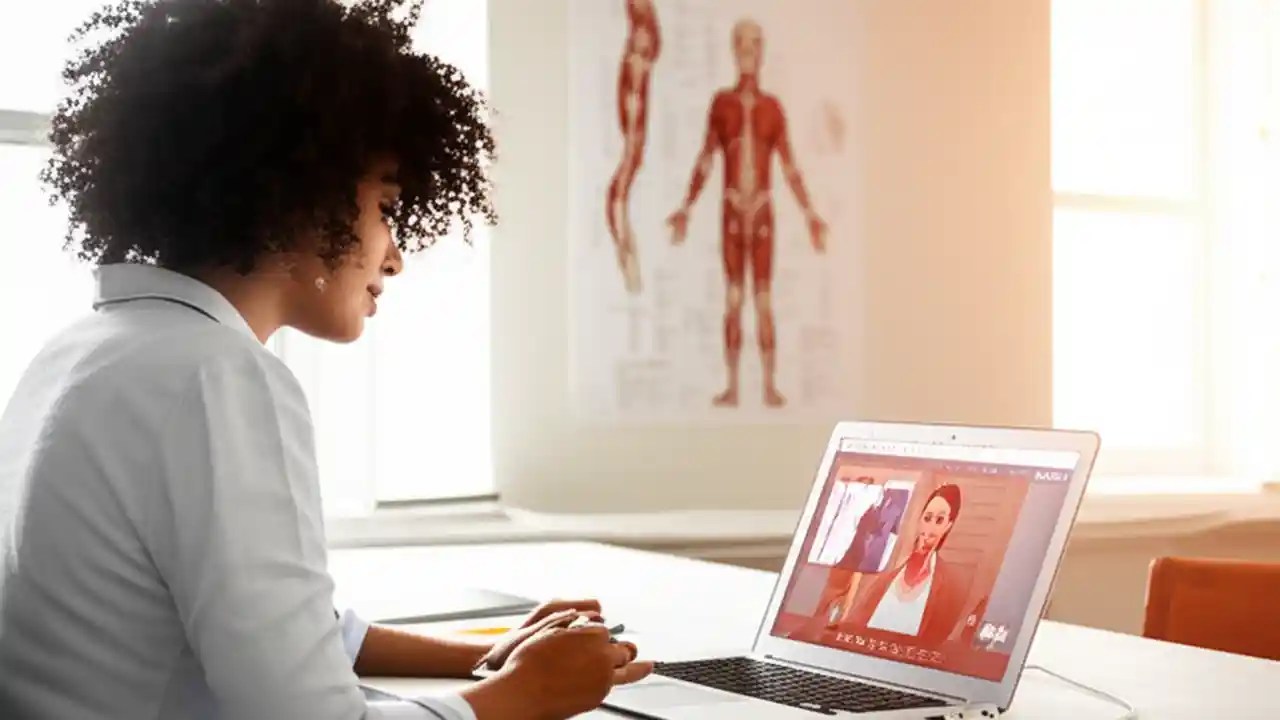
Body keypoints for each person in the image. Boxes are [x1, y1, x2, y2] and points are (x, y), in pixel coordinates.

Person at [0, 2, 651, 719]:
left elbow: (287, 638)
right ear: (302, 194)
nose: (395, 256)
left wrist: (490, 655)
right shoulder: (218, 377)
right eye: (386, 206)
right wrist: (519, 695)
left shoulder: (83, 354)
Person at [667, 18, 827, 408]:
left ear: (762, 51)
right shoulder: (722, 104)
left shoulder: (773, 108)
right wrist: (686, 207)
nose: (748, 52)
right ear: (733, 50)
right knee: (735, 299)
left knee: (764, 300)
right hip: (733, 213)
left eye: (754, 44)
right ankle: (734, 387)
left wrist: (809, 213)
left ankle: (769, 385)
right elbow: (706, 159)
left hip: (762, 216)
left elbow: (789, 166)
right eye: (741, 44)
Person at [845, 485, 969, 645]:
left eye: (939, 520)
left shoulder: (952, 588)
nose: (929, 529)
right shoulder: (885, 580)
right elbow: (854, 626)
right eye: (927, 518)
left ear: (948, 526)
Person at [606, 0, 661, 294]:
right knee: (627, 170)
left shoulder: (643, 34)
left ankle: (626, 252)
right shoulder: (640, 43)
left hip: (635, 99)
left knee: (629, 168)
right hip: (634, 100)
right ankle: (626, 255)